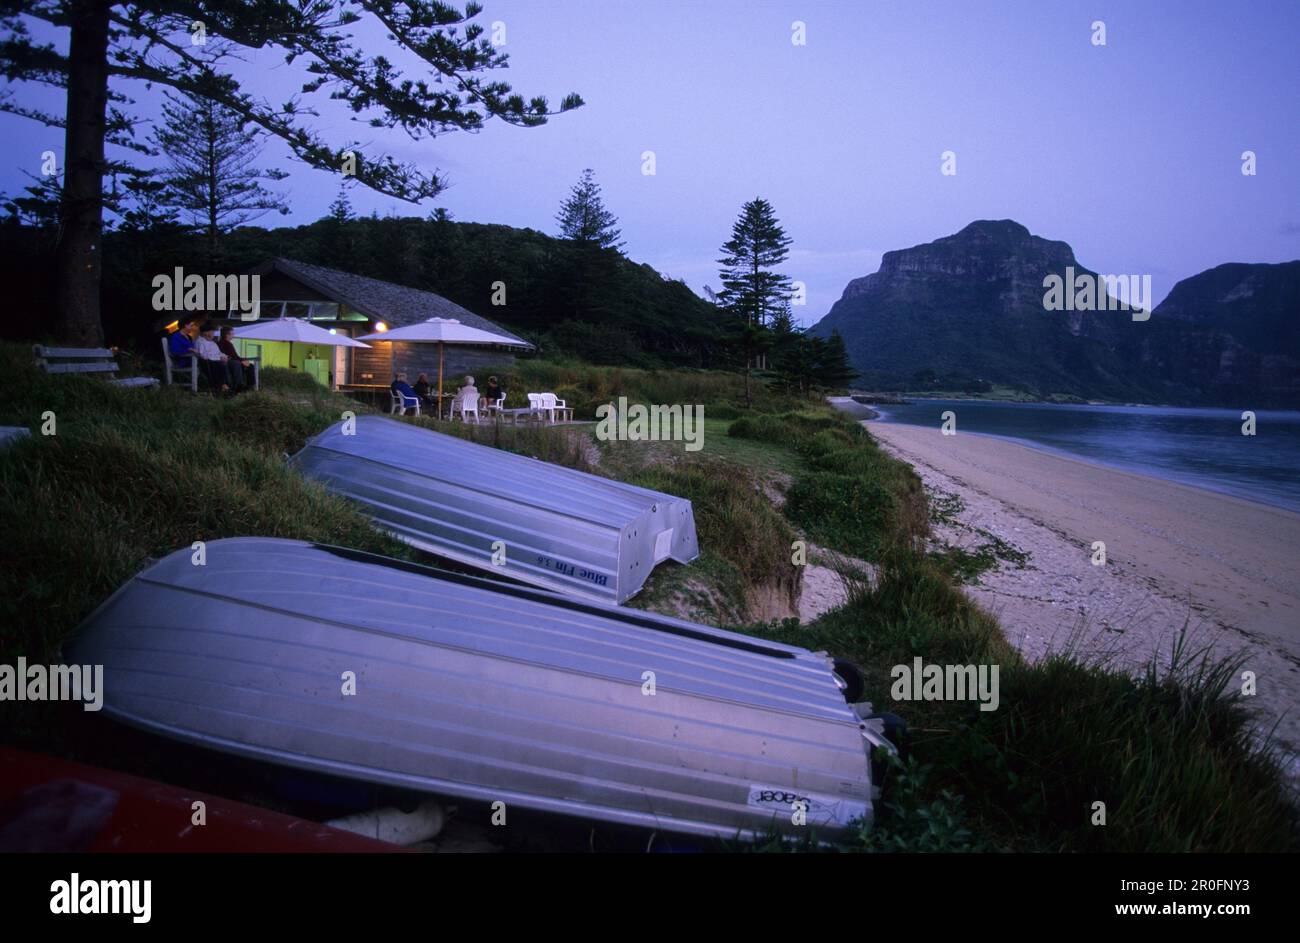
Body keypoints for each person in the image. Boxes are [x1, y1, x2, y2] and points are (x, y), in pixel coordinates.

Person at [194, 322, 233, 395]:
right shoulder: (200, 342)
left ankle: (229, 386)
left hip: (216, 361)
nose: (213, 334)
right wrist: (219, 358)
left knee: (232, 363)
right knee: (220, 364)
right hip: (206, 363)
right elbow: (204, 356)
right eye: (212, 332)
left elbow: (219, 353)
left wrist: (224, 356)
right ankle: (221, 387)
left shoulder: (212, 343)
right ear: (206, 333)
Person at [217, 326, 252, 392]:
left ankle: (247, 386)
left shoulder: (223, 343)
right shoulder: (226, 344)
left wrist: (243, 360)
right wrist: (242, 361)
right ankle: (247, 386)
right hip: (230, 362)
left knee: (249, 365)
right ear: (227, 335)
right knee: (250, 366)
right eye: (232, 334)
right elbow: (233, 356)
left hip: (232, 361)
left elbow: (234, 356)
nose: (233, 335)